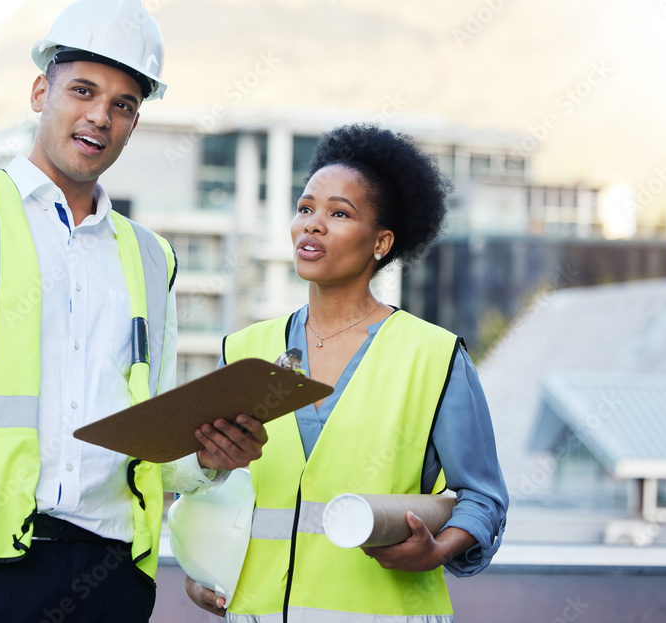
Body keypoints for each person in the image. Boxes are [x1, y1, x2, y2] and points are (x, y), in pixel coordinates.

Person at [0, 0, 266, 623]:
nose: (100, 117)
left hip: (111, 573)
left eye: (123, 105)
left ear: (136, 123)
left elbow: (154, 445)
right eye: (83, 92)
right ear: (41, 92)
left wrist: (206, 460)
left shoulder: (151, 257)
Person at [185, 124, 509, 621]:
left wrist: (439, 550)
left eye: (339, 213)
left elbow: (482, 497)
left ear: (381, 242)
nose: (312, 224)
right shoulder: (245, 349)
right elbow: (219, 490)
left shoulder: (434, 355)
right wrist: (203, 562)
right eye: (306, 208)